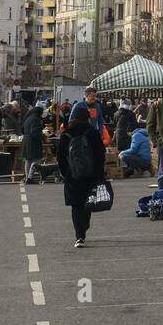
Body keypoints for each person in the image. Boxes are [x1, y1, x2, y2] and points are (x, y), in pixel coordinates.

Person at [59, 104, 105, 248]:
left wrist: (65, 172)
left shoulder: (66, 134)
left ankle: (79, 235)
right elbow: (100, 154)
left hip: (72, 176)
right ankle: (84, 225)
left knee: (76, 205)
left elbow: (60, 156)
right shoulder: (93, 133)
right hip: (90, 174)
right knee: (88, 201)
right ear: (87, 118)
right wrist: (99, 172)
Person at [21, 103, 45, 182]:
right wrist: (42, 137)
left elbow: (22, 130)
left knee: (28, 160)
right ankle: (30, 177)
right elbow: (35, 131)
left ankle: (27, 177)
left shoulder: (28, 118)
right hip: (33, 142)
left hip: (26, 140)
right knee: (36, 160)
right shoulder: (36, 119)